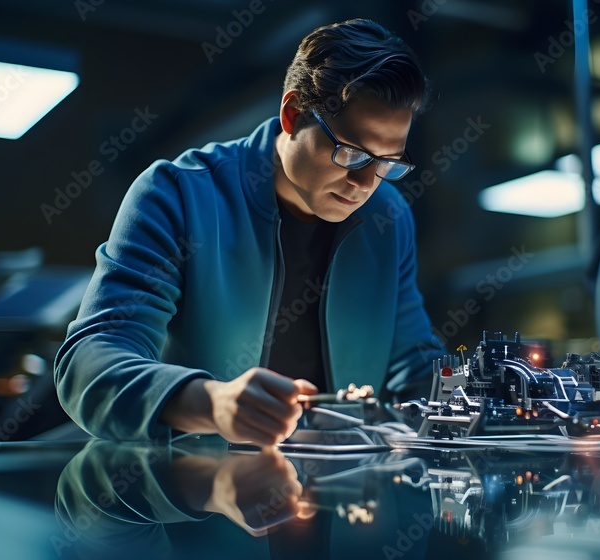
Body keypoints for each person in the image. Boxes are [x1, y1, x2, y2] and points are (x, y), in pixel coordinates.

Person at [54, 18, 443, 445]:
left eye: (388, 162)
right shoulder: (178, 193)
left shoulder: (389, 219)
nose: (366, 183)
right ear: (293, 115)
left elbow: (414, 362)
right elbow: (89, 362)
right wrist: (211, 404)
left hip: (337, 496)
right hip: (191, 494)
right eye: (351, 153)